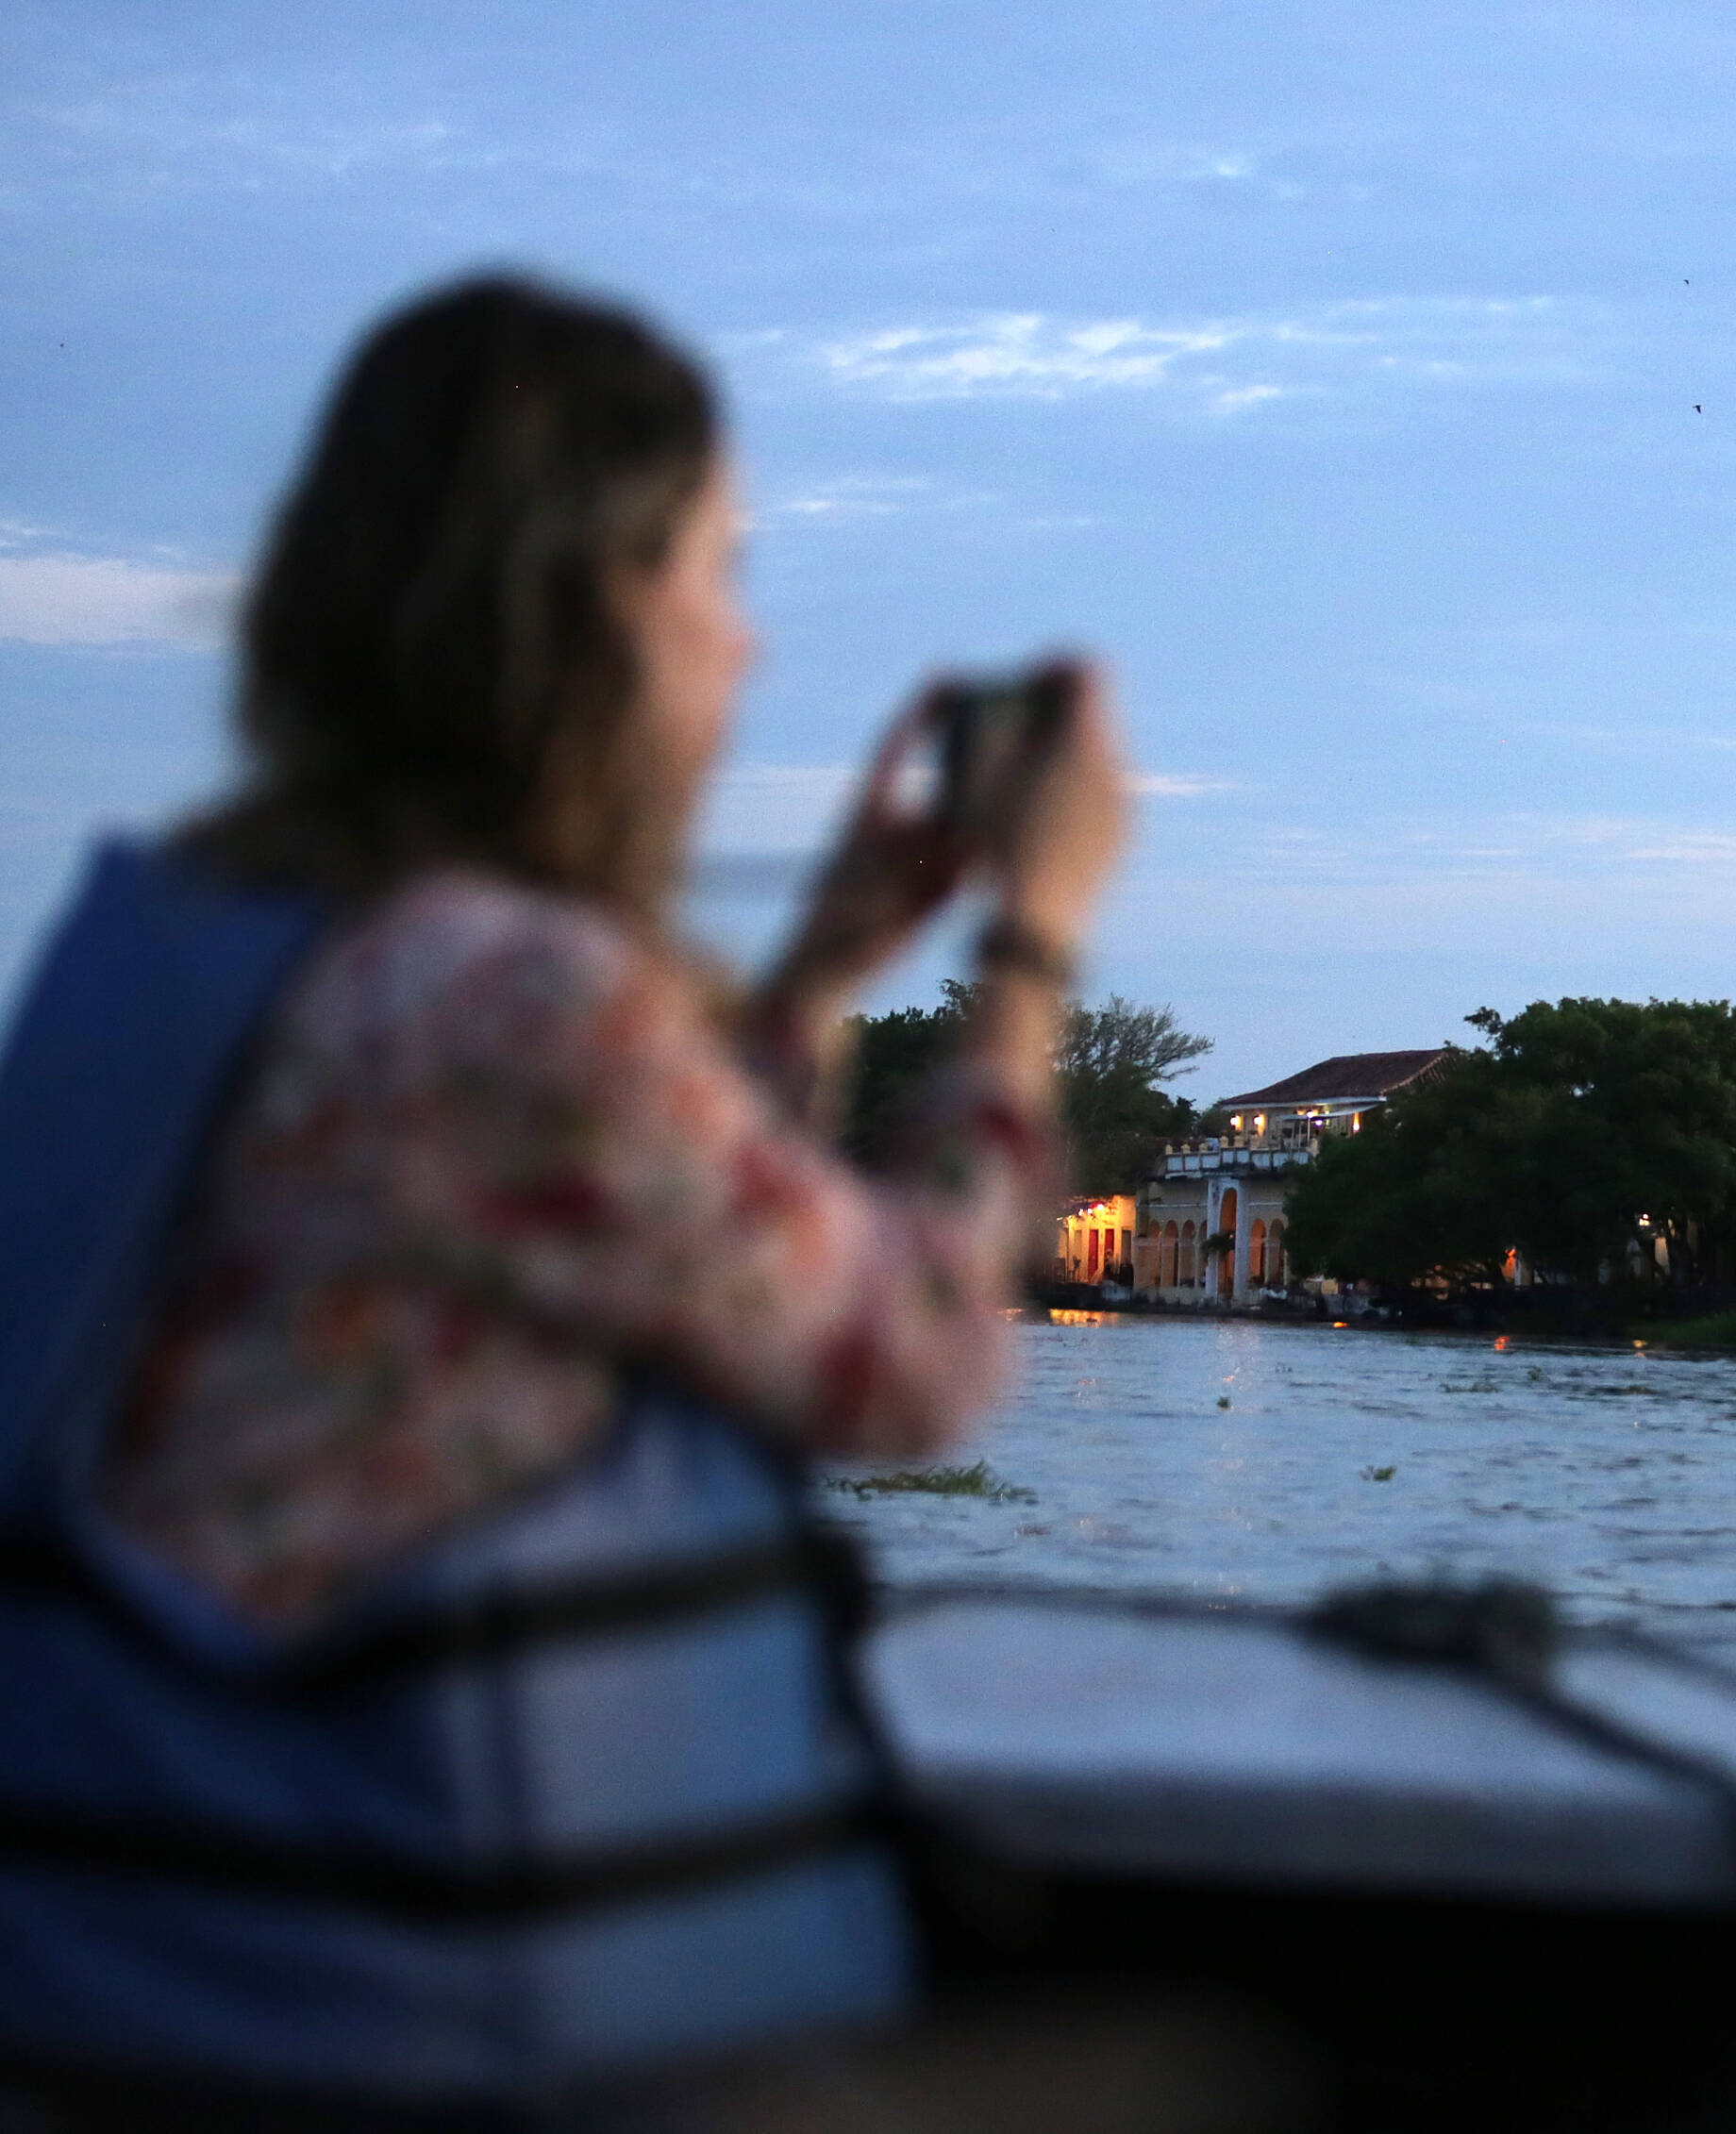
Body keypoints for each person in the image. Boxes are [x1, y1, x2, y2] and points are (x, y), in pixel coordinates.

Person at [0, 275, 1146, 2125]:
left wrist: (823, 975)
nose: (744, 650)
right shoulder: (509, 1000)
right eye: (715, 570)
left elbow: (616, 1236)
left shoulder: (173, 944)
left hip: (116, 1982)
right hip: (377, 2032)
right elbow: (916, 1357)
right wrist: (1034, 941)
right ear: (589, 606)